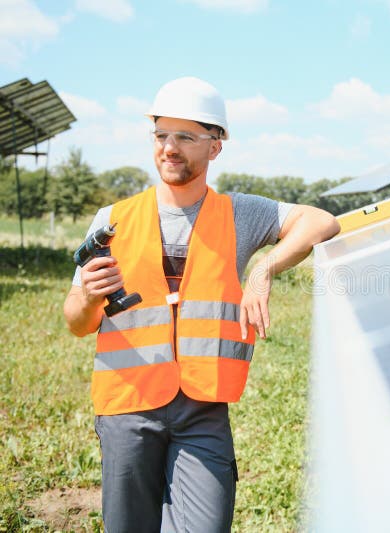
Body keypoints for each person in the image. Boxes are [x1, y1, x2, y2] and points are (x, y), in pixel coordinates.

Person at [63, 76, 340, 532]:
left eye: (185, 137)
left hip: (202, 410)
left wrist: (262, 270)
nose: (169, 148)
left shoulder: (240, 213)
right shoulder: (111, 220)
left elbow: (321, 222)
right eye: (161, 135)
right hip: (126, 405)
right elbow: (76, 323)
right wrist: (88, 298)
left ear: (215, 147)